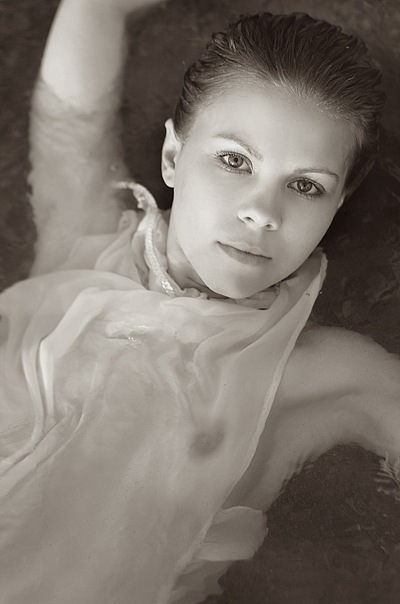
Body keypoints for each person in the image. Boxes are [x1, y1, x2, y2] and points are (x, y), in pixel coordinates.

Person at [0, 0, 399, 603]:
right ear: (172, 157)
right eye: (235, 160)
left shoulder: (329, 375)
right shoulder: (83, 242)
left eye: (305, 185)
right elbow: (76, 86)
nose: (261, 212)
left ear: (336, 205)